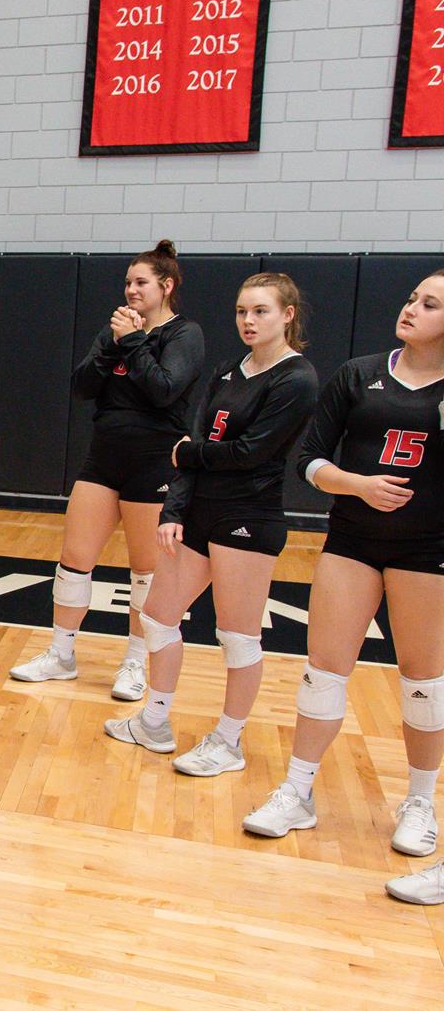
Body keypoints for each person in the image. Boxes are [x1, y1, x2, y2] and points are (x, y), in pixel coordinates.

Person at [231, 271, 444, 906]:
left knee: (422, 682)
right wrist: (358, 486)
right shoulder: (358, 374)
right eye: (411, 297)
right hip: (352, 541)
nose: (411, 309)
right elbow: (308, 462)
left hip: (428, 551)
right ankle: (297, 790)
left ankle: (419, 803)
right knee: (324, 670)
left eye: (429, 304)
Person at [104, 273, 319, 776]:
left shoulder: (296, 378)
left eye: (261, 311)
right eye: (243, 311)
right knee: (157, 616)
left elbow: (249, 453)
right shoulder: (227, 371)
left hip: (249, 516)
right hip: (199, 513)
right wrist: (175, 510)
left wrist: (193, 453)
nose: (248, 320)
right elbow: (192, 448)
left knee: (237, 636)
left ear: (287, 315)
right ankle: (154, 722)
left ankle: (229, 741)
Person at [9, 241, 204, 701]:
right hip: (104, 458)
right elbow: (81, 386)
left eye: (141, 282)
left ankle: (135, 661)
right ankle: (61, 654)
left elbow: (164, 389)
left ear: (167, 286)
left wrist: (132, 343)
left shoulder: (184, 334)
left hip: (153, 461)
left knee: (145, 571)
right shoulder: (115, 329)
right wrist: (113, 344)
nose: (131, 290)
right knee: (74, 560)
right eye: (127, 282)